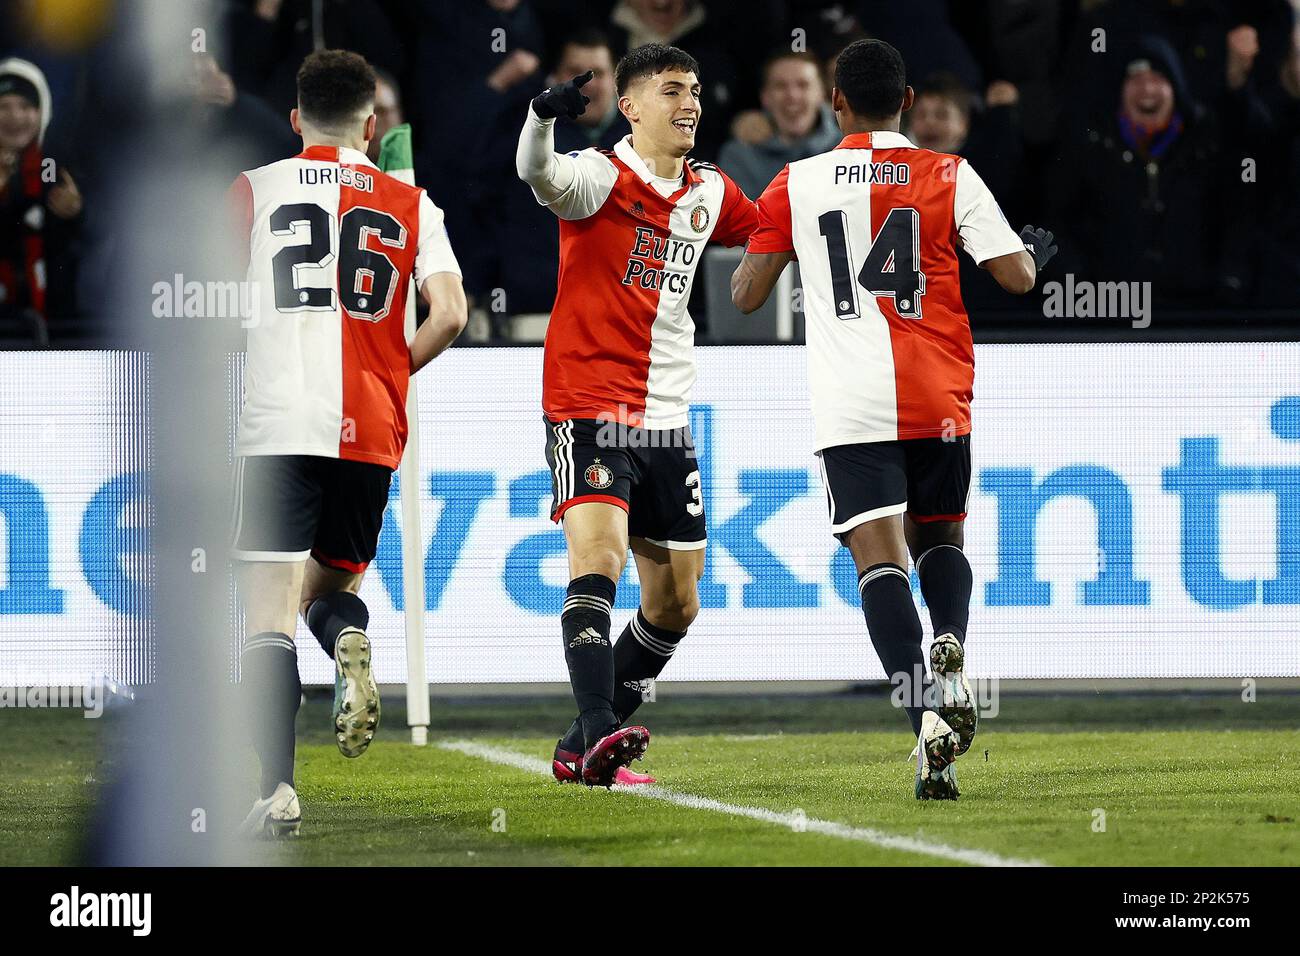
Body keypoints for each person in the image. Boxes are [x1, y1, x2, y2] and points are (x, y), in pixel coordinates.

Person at [730, 38, 1056, 800]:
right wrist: (1034, 253)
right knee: (940, 537)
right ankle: (951, 639)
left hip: (852, 405)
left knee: (879, 565)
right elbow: (1015, 276)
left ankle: (923, 727)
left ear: (835, 103)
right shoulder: (950, 173)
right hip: (937, 396)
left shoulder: (797, 180)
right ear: (908, 103)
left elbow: (746, 294)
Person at [228, 49, 467, 836]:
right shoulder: (410, 200)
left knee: (267, 619)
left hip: (276, 426)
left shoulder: (255, 189)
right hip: (368, 428)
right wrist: (390, 370)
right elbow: (452, 313)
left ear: (296, 121)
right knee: (328, 597)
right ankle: (351, 640)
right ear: (374, 123)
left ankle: (276, 792)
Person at [516, 43, 756, 787]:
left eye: (695, 89)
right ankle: (597, 731)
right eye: (673, 90)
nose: (691, 103)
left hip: (667, 417)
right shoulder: (597, 176)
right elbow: (539, 173)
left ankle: (578, 744)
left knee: (677, 602)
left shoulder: (710, 190)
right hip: (587, 404)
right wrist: (538, 119)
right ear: (631, 106)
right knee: (600, 558)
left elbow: (773, 229)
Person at [718, 51, 841, 199]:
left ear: (821, 93)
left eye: (803, 85)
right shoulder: (739, 156)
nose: (792, 95)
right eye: (780, 86)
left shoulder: (850, 148)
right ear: (765, 97)